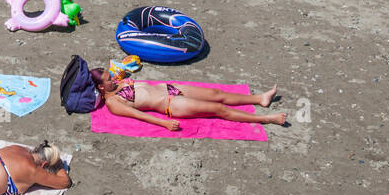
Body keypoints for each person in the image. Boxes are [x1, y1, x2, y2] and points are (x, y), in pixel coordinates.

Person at [90, 69, 285, 129]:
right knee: (218, 109)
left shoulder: (118, 83)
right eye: (108, 79)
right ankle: (268, 119)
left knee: (217, 94)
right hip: (170, 104)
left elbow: (122, 70)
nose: (113, 79)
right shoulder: (113, 104)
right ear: (100, 87)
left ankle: (259, 98)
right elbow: (138, 116)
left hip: (170, 88)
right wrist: (164, 124)